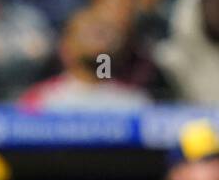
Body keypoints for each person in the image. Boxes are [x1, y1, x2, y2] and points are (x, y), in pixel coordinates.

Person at [20, 7, 151, 110]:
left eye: (104, 33)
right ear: (67, 46)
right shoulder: (41, 101)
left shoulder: (134, 102)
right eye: (89, 33)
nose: (99, 41)